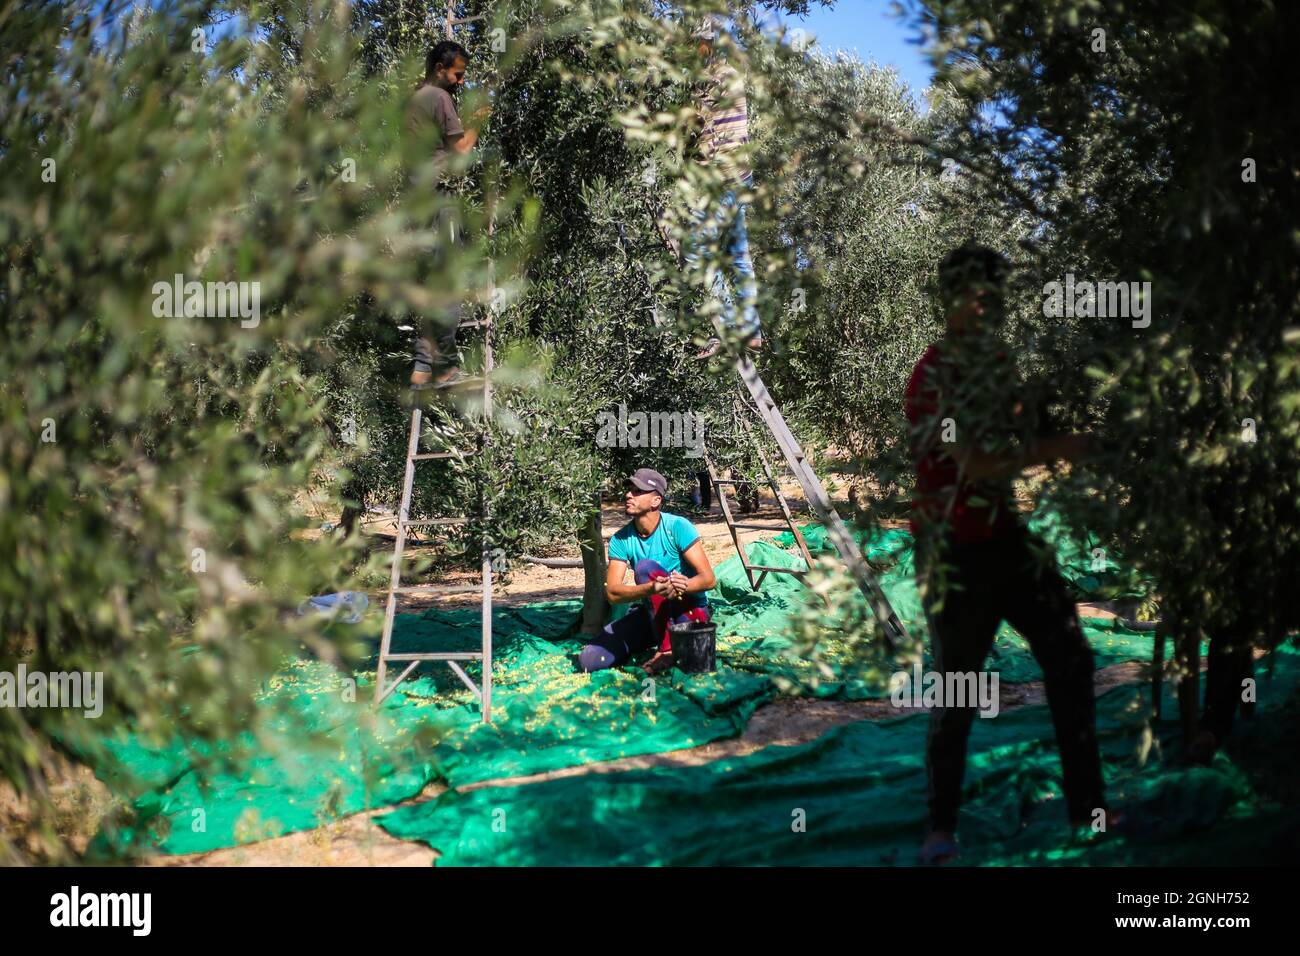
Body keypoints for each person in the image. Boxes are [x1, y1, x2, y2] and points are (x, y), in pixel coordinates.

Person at [904, 243, 1118, 864]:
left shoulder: (995, 360)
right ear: (951, 300)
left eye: (996, 293)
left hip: (1005, 539)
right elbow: (974, 462)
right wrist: (1062, 447)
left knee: (1072, 663)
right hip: (951, 550)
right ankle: (940, 828)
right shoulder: (934, 376)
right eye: (978, 293)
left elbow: (1019, 415)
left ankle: (1090, 810)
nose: (990, 304)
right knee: (958, 686)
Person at [405, 40, 487, 390]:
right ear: (440, 69)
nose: (460, 81)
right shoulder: (439, 98)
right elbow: (461, 151)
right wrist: (479, 121)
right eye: (457, 74)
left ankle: (422, 369)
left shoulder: (414, 98)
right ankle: (448, 368)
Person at [580, 469, 717, 675]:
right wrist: (652, 588)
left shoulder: (678, 527)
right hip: (653, 614)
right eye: (629, 490)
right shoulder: (620, 539)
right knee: (589, 660)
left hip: (688, 611)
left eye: (638, 491)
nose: (628, 495)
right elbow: (613, 592)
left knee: (645, 567)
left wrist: (683, 585)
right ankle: (661, 638)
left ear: (655, 501)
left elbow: (709, 579)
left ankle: (667, 649)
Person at [686, 17, 762, 358]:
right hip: (741, 177)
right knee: (738, 257)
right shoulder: (732, 75)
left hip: (722, 181)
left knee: (697, 251)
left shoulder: (707, 83)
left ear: (705, 44)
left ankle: (728, 325)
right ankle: (751, 331)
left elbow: (698, 137)